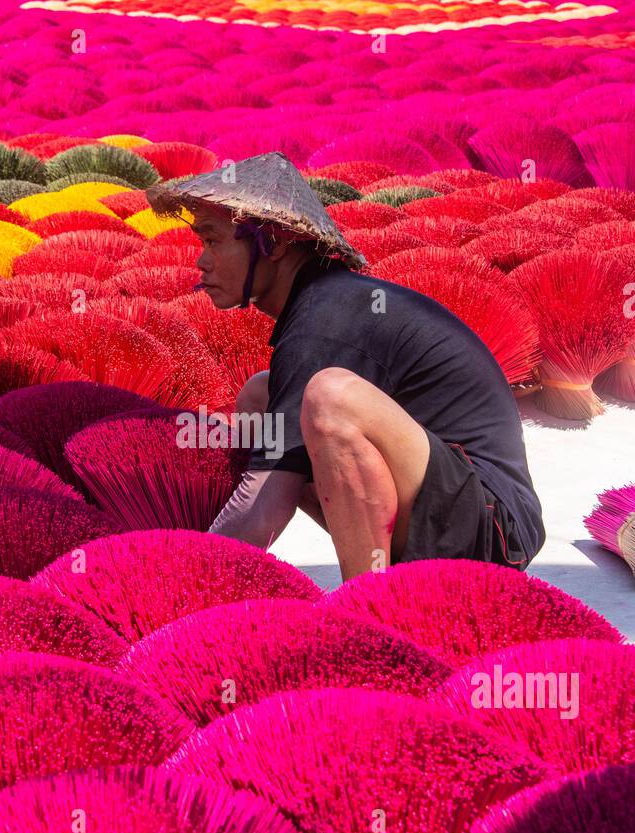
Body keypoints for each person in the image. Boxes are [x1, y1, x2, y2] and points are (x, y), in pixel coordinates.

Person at [145, 151, 544, 582]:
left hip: (494, 531)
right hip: (451, 512)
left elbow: (264, 506)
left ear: (275, 244)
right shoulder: (323, 304)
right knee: (261, 397)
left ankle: (368, 602)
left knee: (330, 397)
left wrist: (181, 577)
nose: (201, 262)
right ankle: (390, 578)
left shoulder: (323, 319)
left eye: (213, 240)